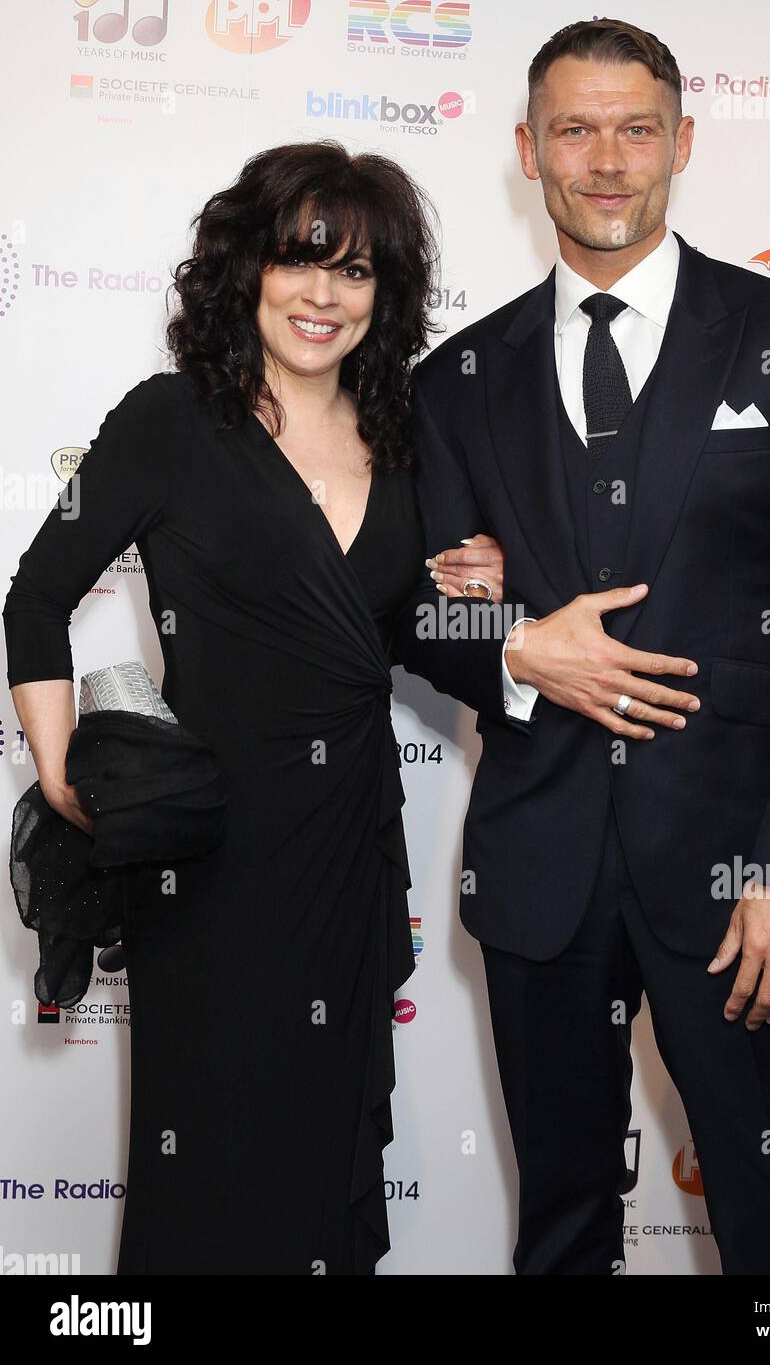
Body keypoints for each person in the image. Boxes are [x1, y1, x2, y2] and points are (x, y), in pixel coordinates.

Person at [392, 19, 770, 1274]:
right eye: (573, 128)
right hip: (537, 870)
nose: (605, 159)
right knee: (561, 1227)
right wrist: (515, 650)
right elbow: (416, 609)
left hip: (739, 881)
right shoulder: (455, 377)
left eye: (633, 127)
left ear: (681, 141)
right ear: (525, 149)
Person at [2, 141, 504, 1275]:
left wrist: (482, 595)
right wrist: (69, 778)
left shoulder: (407, 443)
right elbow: (34, 599)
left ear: (388, 294)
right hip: (209, 853)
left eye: (357, 271)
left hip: (346, 849)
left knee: (322, 1145)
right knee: (208, 1147)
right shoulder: (170, 421)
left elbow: (409, 638)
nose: (324, 294)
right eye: (298, 259)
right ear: (247, 270)